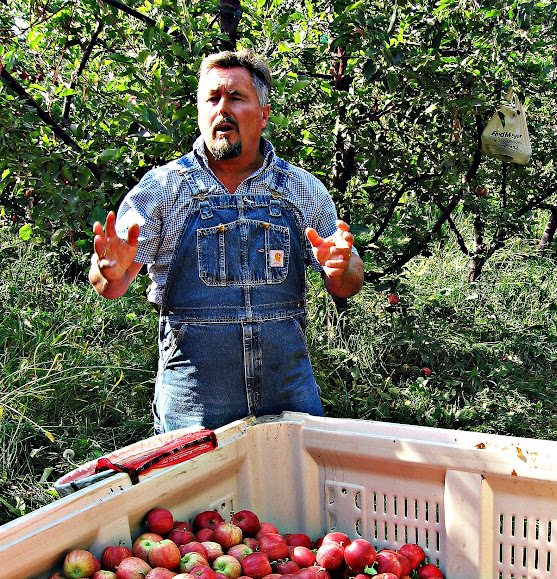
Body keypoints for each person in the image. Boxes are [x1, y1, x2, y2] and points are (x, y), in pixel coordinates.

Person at [89, 49, 364, 433]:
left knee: (294, 492)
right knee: (194, 494)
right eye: (212, 98)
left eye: (236, 98)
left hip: (289, 398)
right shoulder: (163, 189)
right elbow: (112, 284)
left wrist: (342, 265)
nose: (223, 109)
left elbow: (347, 282)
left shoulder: (301, 189)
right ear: (201, 112)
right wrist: (109, 268)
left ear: (264, 114)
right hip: (193, 408)